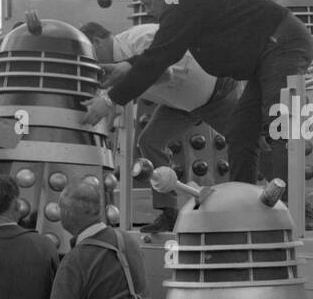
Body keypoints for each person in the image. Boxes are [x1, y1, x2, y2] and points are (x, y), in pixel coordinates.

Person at [93, 0, 313, 201]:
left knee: (278, 122)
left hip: (283, 44)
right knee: (241, 131)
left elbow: (161, 55)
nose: (148, 12)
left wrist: (110, 100)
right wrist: (127, 65)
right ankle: (242, 203)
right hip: (267, 54)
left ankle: (295, 207)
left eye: (148, 4)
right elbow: (162, 50)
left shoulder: (183, 4)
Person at [82, 20, 242, 232]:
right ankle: (168, 213)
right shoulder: (115, 67)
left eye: (88, 54)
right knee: (149, 142)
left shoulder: (141, 38)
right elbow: (115, 102)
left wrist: (114, 97)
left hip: (218, 92)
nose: (92, 63)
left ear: (97, 42)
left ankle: (270, 201)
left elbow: (164, 73)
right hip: (182, 104)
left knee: (249, 142)